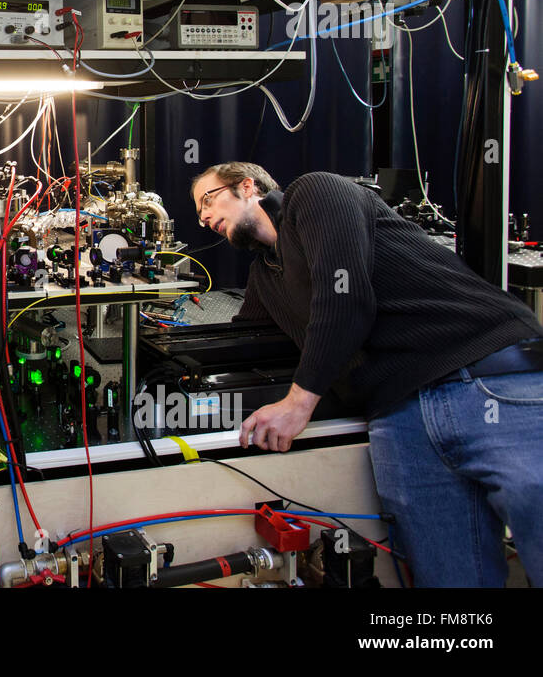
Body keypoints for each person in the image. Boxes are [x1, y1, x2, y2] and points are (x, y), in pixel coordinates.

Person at [190, 161, 543, 587]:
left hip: (487, 378)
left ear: (248, 187)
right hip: (399, 415)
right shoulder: (266, 276)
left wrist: (299, 401)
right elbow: (241, 345)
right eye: (198, 212)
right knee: (448, 575)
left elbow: (346, 295)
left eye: (207, 200)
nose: (203, 217)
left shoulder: (316, 191)